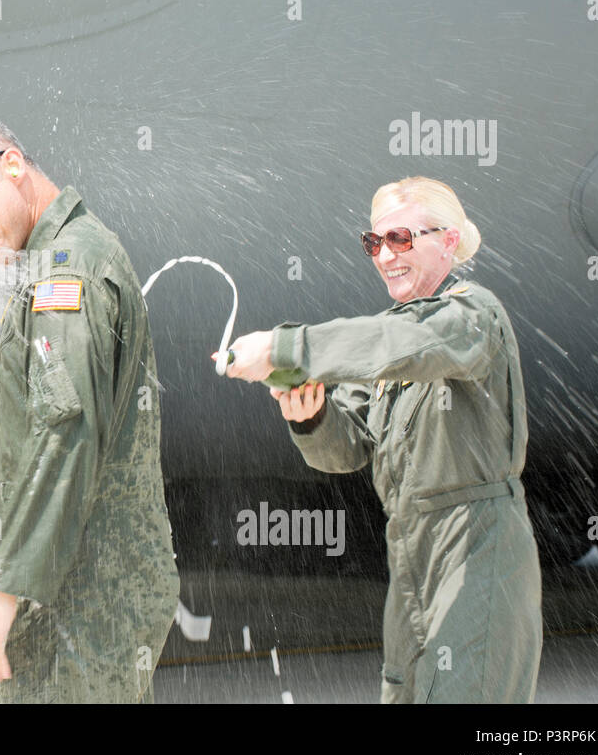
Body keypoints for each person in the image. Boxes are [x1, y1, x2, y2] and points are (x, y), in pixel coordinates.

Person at [224, 176, 542, 703]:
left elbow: (409, 342)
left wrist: (286, 348)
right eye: (375, 242)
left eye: (401, 239)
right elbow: (347, 451)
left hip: (478, 548)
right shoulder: (389, 346)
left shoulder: (473, 315)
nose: (384, 255)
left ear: (447, 241)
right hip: (410, 551)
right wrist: (312, 415)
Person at [0, 111, 179, 703]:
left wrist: (2, 589)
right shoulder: (54, 261)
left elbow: (68, 434)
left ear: (12, 164)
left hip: (87, 594)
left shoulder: (69, 271)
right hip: (75, 587)